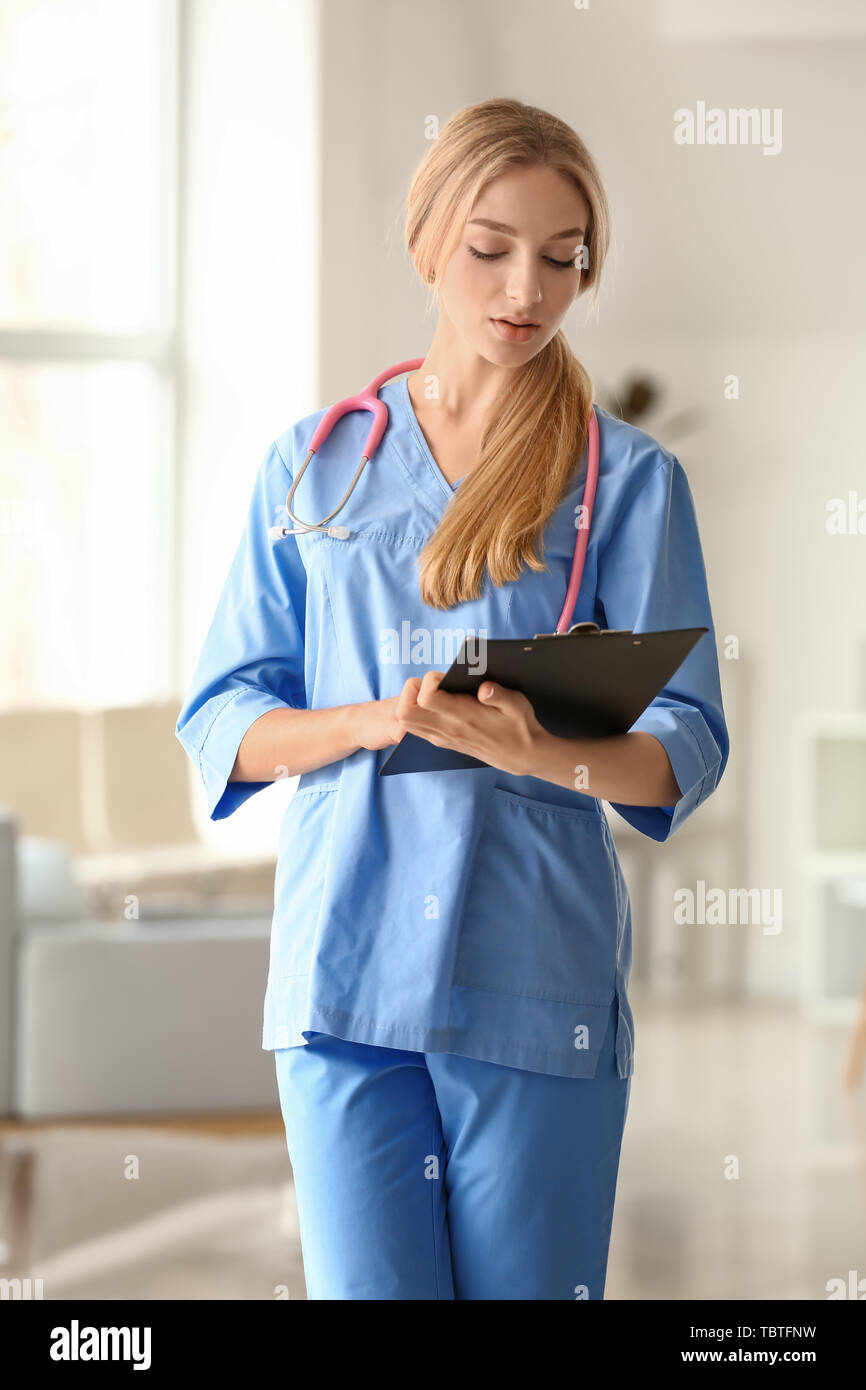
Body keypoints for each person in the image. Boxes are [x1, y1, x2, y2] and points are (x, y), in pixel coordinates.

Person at [175, 97, 729, 1300]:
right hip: (342, 978)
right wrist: (370, 721)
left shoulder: (626, 483)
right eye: (489, 248)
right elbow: (223, 717)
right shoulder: (318, 464)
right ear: (428, 241)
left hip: (531, 976)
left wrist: (542, 750)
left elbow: (682, 743)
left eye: (560, 255)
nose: (523, 287)